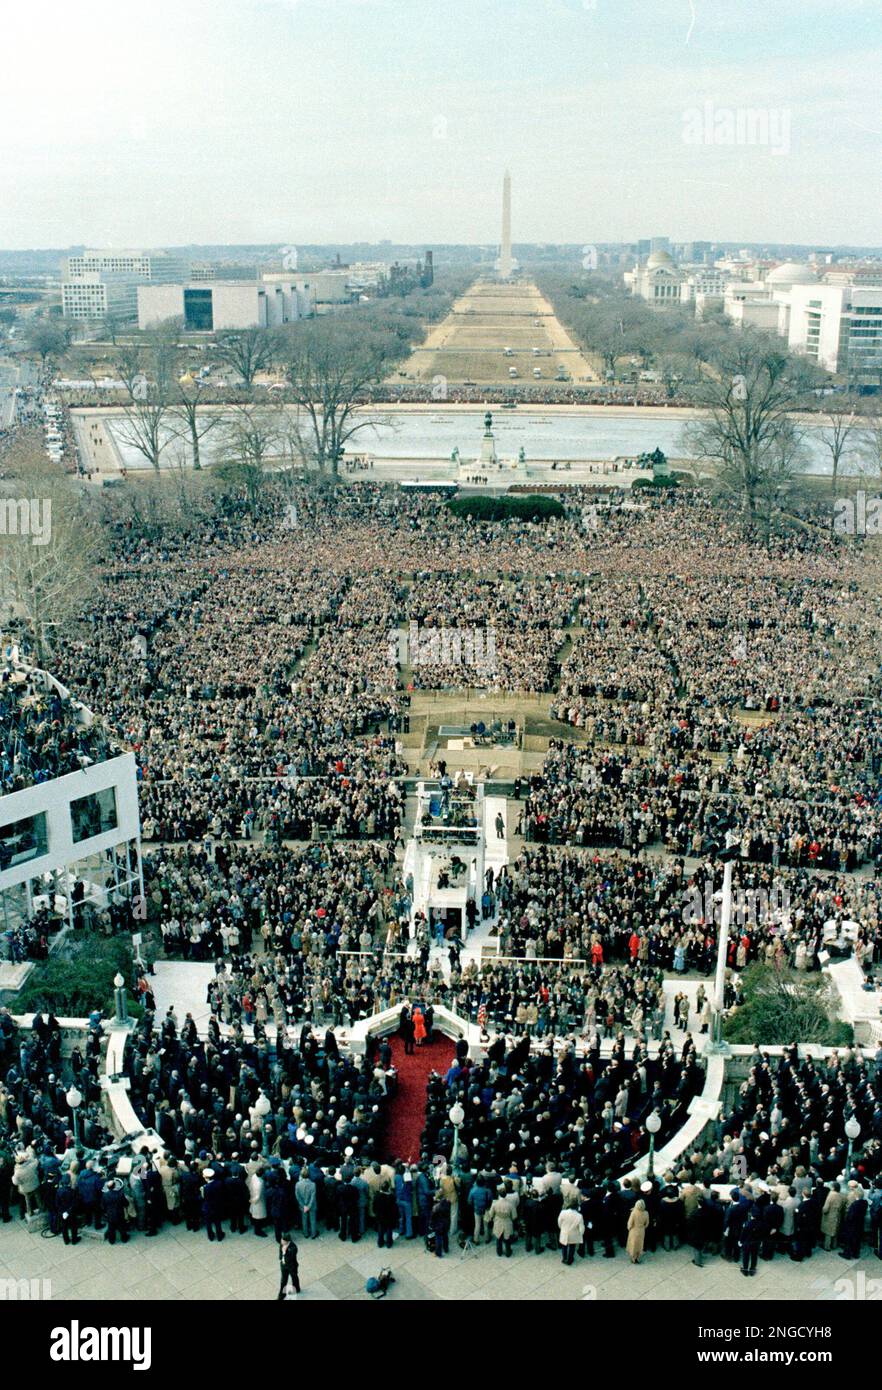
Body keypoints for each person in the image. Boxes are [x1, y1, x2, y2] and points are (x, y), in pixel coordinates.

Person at [489, 1185, 514, 1257]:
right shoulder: (510, 1204)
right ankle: (508, 1252)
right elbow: (514, 1216)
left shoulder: (495, 1203)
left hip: (498, 1222)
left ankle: (499, 1252)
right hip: (507, 1222)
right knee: (507, 1239)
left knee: (498, 1238)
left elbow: (491, 1214)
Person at [558, 1196, 584, 1265]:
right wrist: (581, 1234)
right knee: (572, 1247)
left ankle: (564, 1258)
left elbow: (559, 1222)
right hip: (574, 1234)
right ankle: (570, 1259)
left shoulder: (563, 1212)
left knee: (564, 1247)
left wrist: (562, 1228)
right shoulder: (579, 1216)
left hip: (564, 1232)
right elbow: (581, 1228)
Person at [278, 1233, 300, 1300]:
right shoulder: (282, 1244)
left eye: (283, 1241)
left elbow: (290, 1259)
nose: (281, 1242)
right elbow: (280, 1254)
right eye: (281, 1240)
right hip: (284, 1266)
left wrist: (284, 1252)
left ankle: (296, 1288)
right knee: (283, 1281)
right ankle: (281, 1295)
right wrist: (281, 1259)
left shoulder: (293, 1247)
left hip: (291, 1266)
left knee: (294, 1277)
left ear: (287, 1241)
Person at [627, 1198, 649, 1264]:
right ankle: (638, 1257)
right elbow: (647, 1223)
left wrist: (629, 1228)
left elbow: (630, 1223)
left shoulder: (633, 1213)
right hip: (642, 1230)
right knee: (640, 1244)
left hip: (634, 1230)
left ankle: (633, 1258)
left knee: (633, 1244)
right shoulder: (646, 1213)